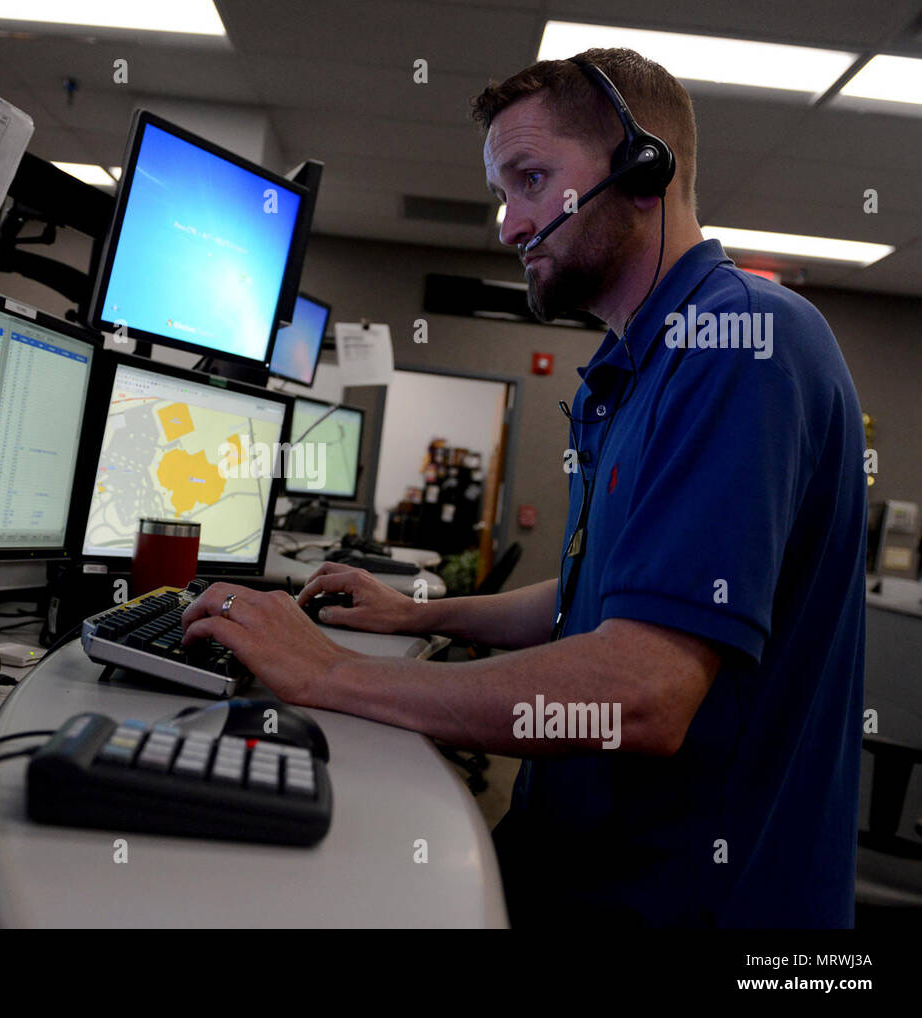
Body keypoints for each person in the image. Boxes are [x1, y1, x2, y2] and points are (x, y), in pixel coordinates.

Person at [180, 47, 866, 929]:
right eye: (501, 194)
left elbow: (645, 690)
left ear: (642, 168)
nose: (508, 226)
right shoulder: (632, 367)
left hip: (694, 904)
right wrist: (416, 615)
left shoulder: (740, 342)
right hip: (578, 860)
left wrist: (331, 674)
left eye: (531, 181)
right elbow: (599, 598)